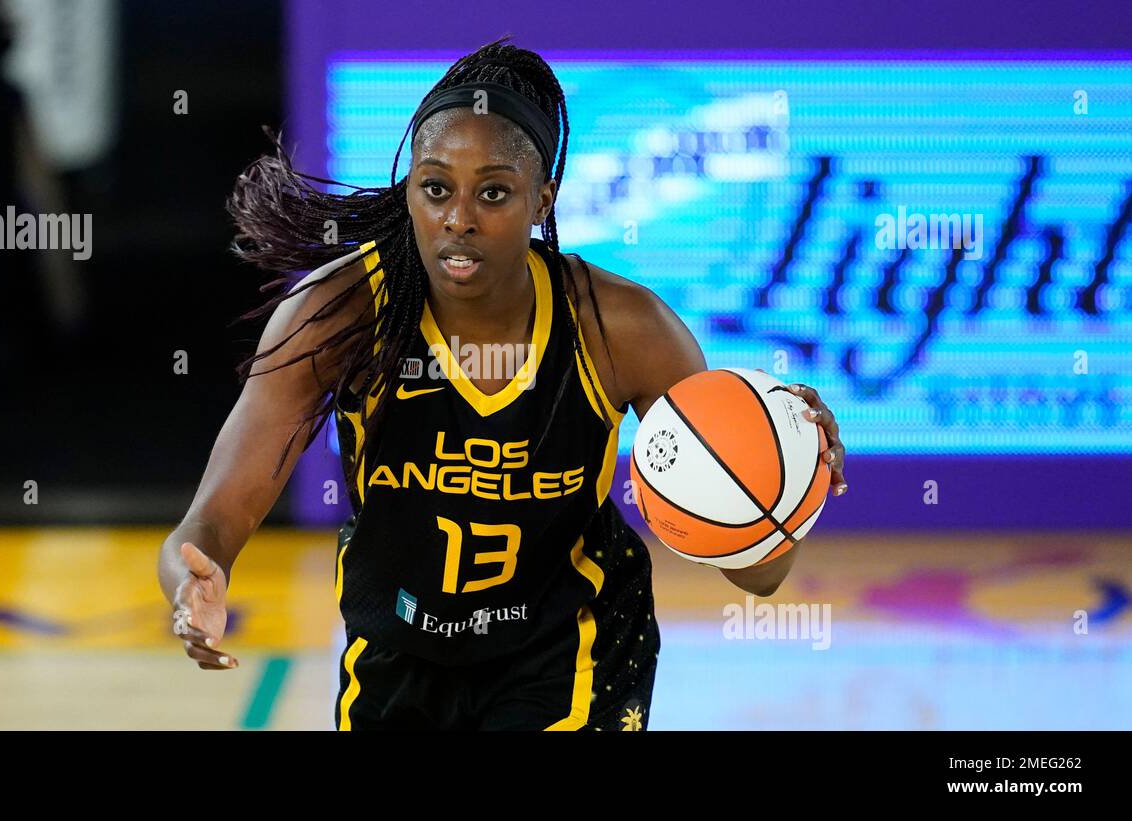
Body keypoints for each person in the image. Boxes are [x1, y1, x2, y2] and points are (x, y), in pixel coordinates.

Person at [156, 36, 848, 731]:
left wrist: (789, 475)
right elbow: (212, 520)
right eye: (435, 189)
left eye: (493, 192)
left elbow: (759, 572)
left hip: (569, 652)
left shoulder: (623, 329)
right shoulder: (337, 315)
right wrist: (194, 577)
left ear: (543, 198)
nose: (458, 218)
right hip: (394, 653)